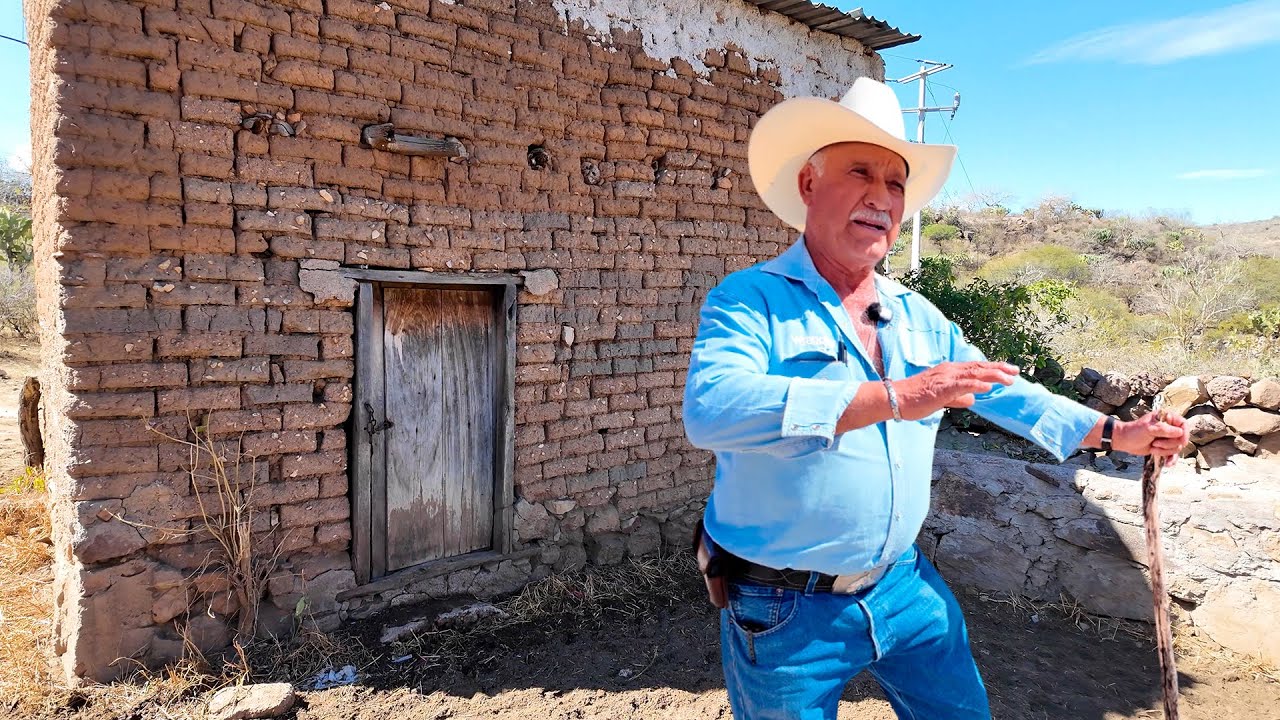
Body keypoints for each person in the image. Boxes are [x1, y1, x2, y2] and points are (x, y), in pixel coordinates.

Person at [681, 77, 1191, 720]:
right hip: (783, 608)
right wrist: (895, 395)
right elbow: (712, 408)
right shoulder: (749, 298)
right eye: (859, 171)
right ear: (809, 186)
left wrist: (1118, 434)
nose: (881, 196)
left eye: (895, 183)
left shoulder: (916, 314)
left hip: (903, 585)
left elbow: (1001, 390)